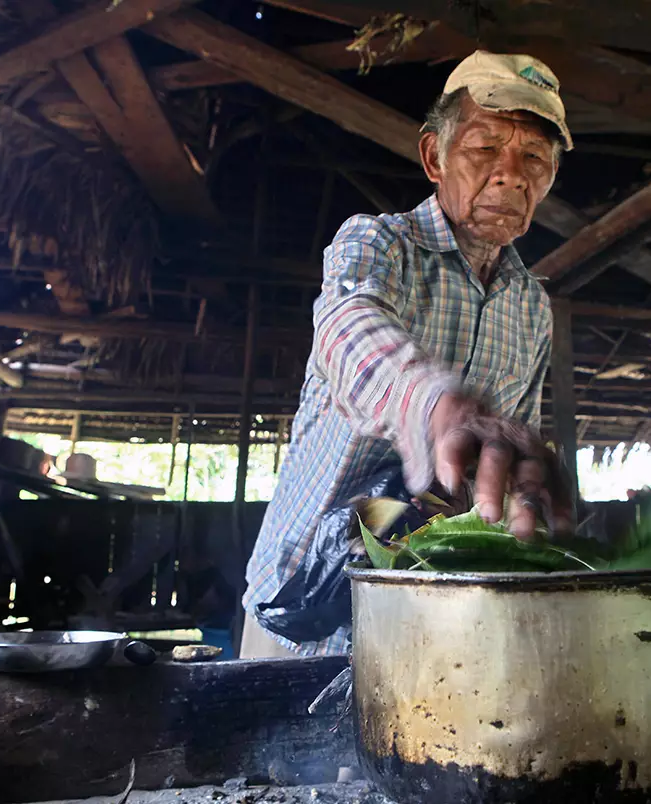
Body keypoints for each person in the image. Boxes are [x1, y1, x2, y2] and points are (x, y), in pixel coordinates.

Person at [242, 51, 576, 658]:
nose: (511, 174)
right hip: (300, 608)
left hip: (414, 620)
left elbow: (488, 466)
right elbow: (348, 327)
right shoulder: (378, 243)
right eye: (484, 148)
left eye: (534, 157)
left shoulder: (531, 306)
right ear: (434, 157)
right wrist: (430, 405)